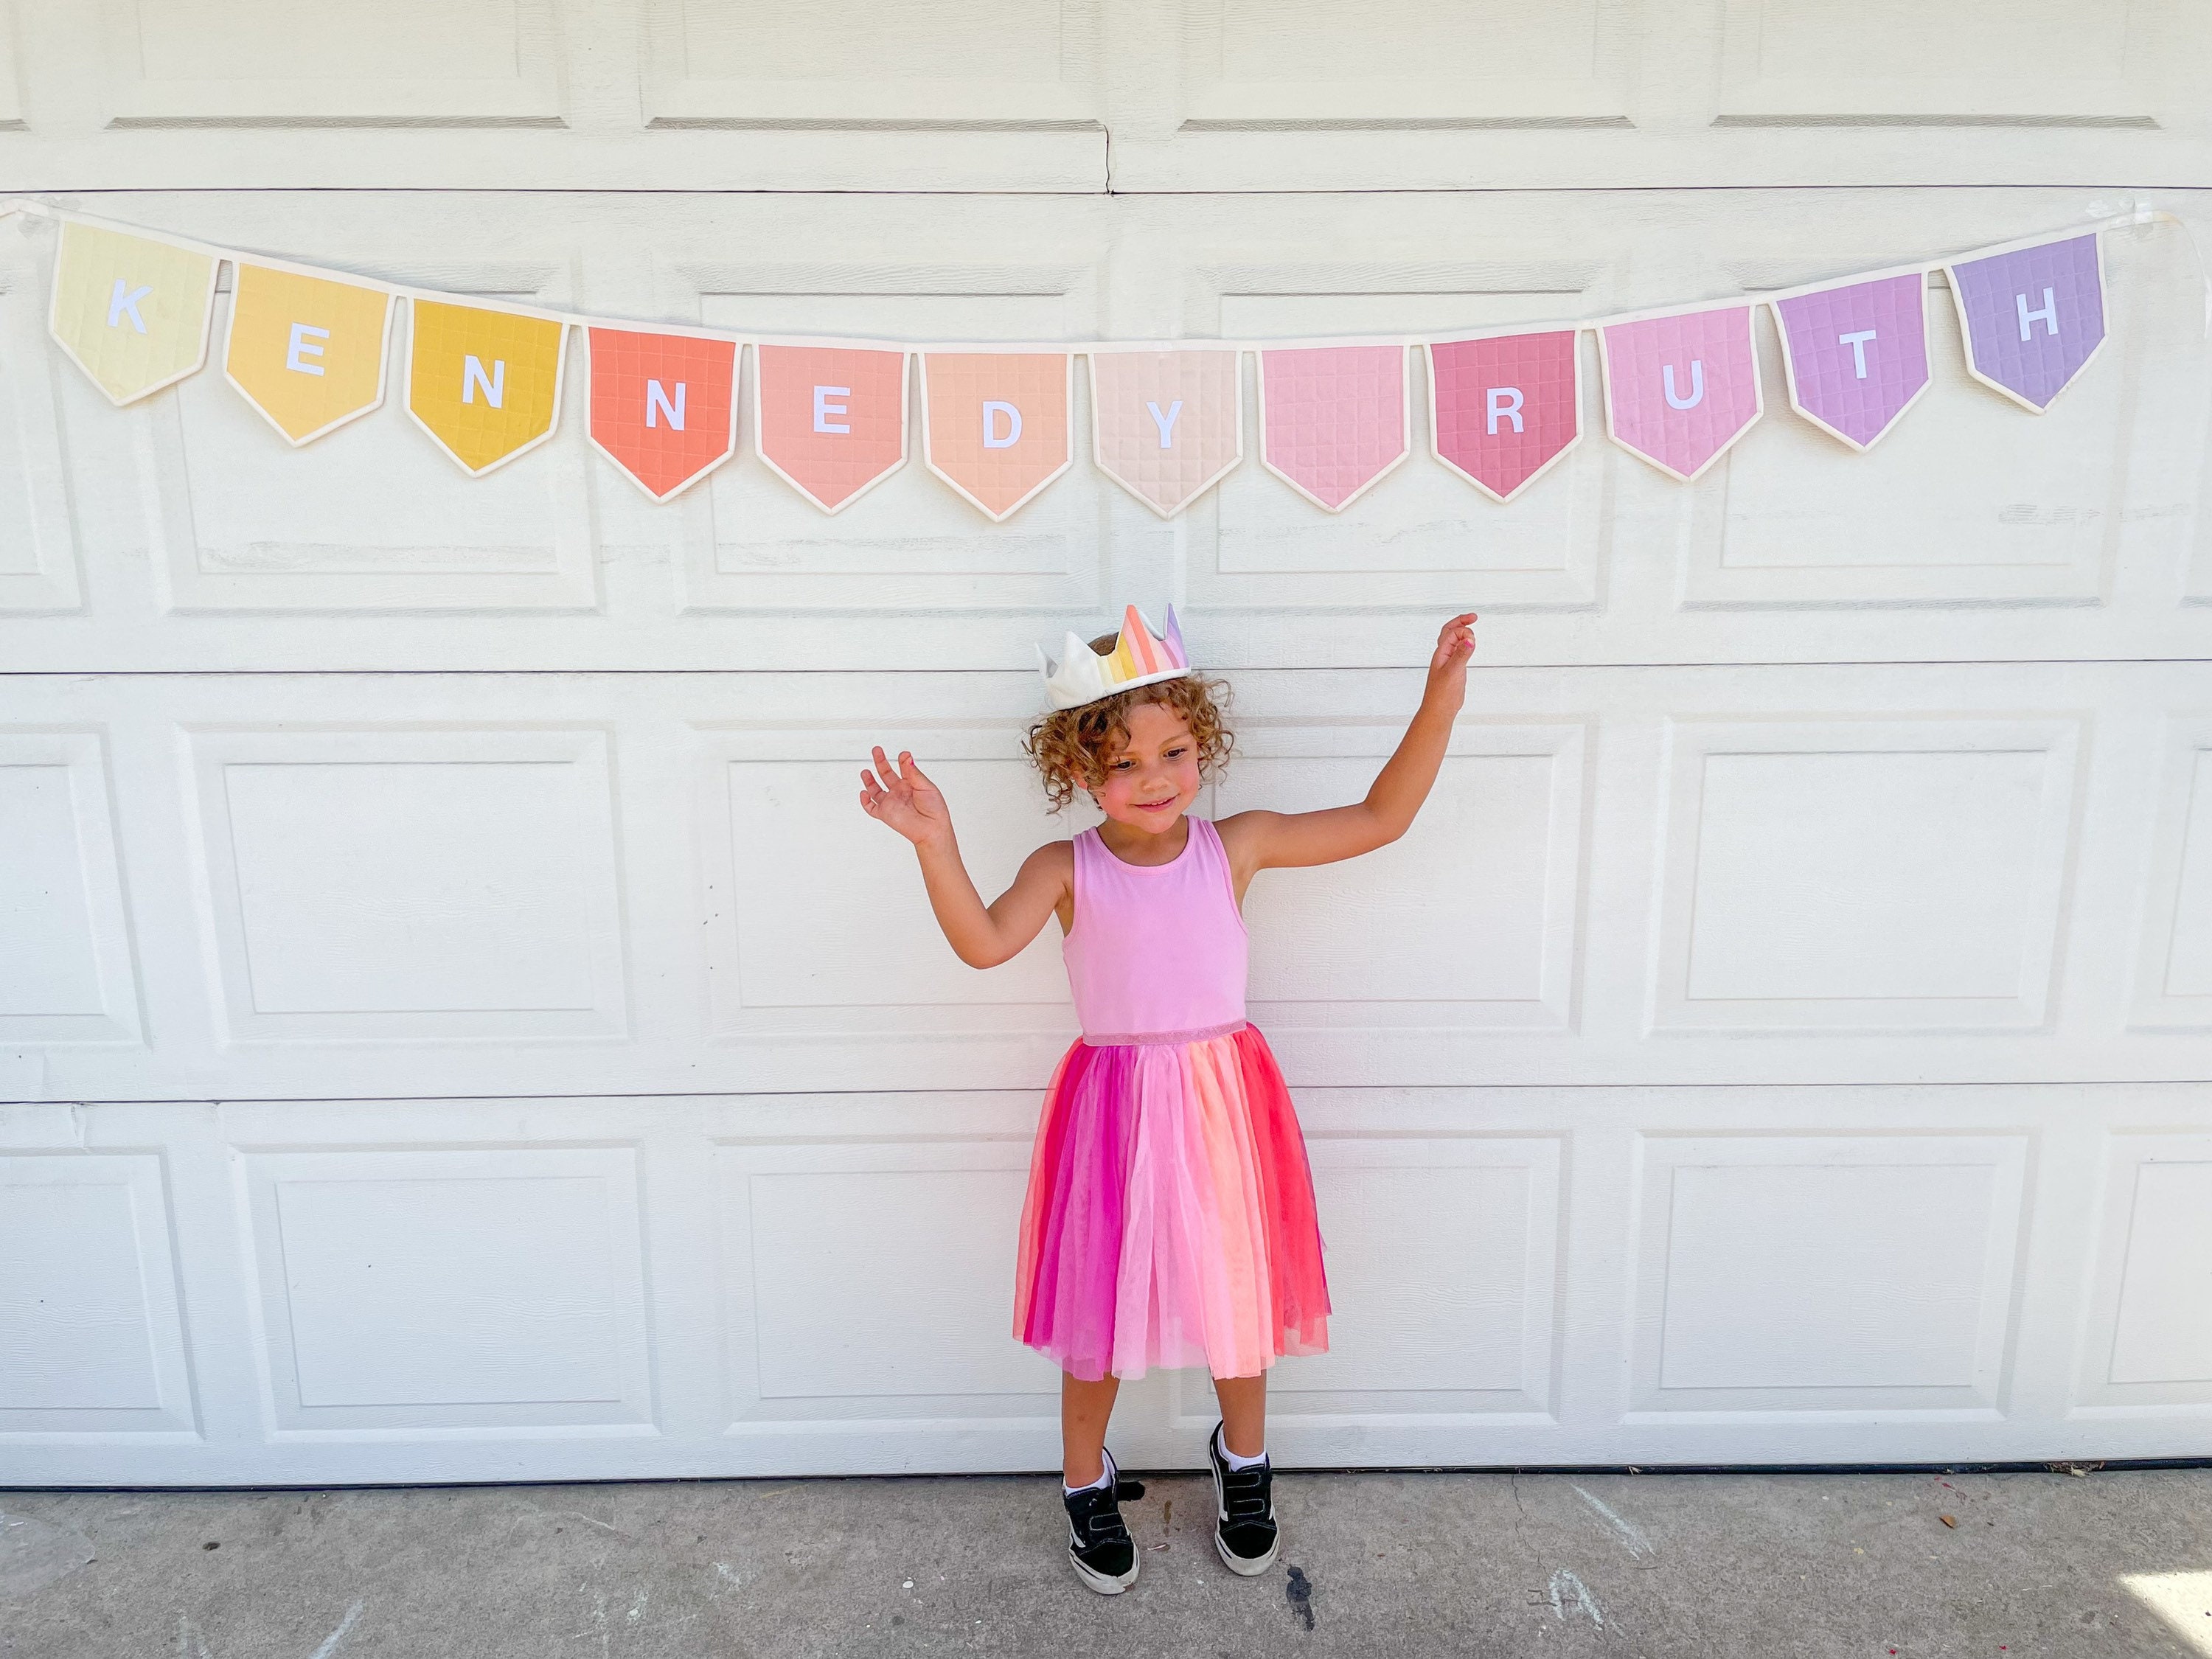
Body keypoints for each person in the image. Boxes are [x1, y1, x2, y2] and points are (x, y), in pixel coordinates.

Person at [858, 604, 1477, 1595]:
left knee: (1238, 1295)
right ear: (1077, 771)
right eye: (1122, 763)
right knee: (1095, 1305)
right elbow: (982, 942)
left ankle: (1245, 1462)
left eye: (1174, 752)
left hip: (1223, 1107)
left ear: (1203, 744)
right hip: (1112, 1115)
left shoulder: (1237, 846)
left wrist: (1440, 694)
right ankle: (1084, 1479)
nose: (1153, 779)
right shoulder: (1065, 868)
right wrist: (936, 843)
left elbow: (1380, 818)